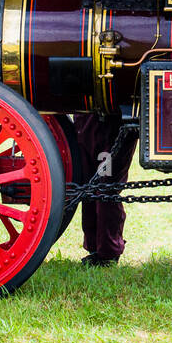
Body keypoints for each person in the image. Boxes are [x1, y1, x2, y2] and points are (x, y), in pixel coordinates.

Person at [72, 114, 138, 266]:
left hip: (104, 121)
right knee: (94, 187)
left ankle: (105, 250)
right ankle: (101, 249)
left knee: (103, 187)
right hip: (97, 121)